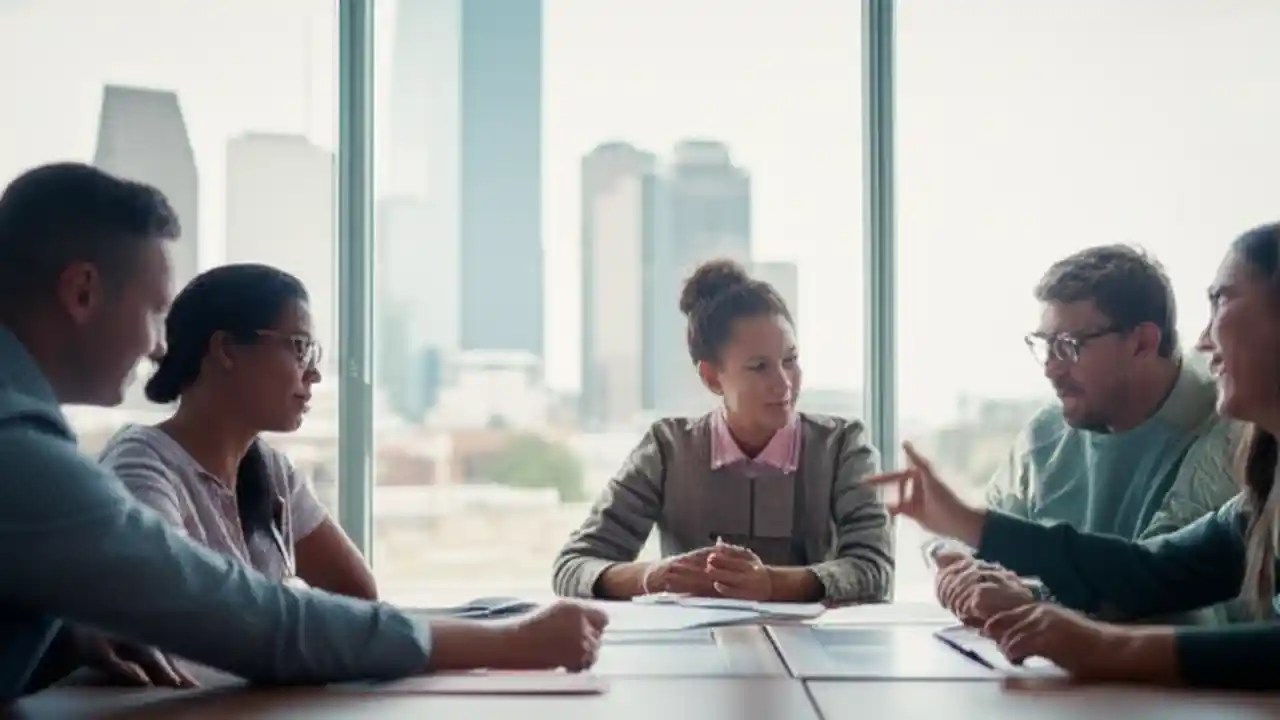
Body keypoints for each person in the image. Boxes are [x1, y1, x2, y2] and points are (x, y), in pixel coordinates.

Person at [0, 162, 606, 700]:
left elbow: (329, 597)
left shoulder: (28, 438)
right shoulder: (22, 453)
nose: (160, 343)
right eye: (156, 311)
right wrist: (508, 645)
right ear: (82, 292)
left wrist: (76, 623)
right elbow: (240, 619)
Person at [871, 223, 1280, 690]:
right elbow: (1151, 570)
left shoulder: (1224, 436)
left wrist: (1099, 643)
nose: (1204, 340)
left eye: (1222, 300)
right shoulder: (1265, 490)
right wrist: (965, 523)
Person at [931, 245, 1239, 625]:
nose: (1050, 369)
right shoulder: (1044, 437)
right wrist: (958, 560)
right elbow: (986, 544)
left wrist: (1034, 599)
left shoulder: (1229, 426)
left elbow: (1156, 583)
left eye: (1068, 347)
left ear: (1143, 342)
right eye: (1044, 345)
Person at [553, 260, 892, 604]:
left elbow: (874, 570)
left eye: (790, 360)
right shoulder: (668, 449)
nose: (784, 383)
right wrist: (654, 576)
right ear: (712, 377)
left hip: (817, 653)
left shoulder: (842, 447)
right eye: (759, 367)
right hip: (699, 649)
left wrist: (771, 584)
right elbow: (573, 566)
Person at [99, 264, 374, 601]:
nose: (314, 374)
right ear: (227, 349)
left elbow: (359, 595)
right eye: (300, 347)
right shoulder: (141, 467)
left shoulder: (274, 473)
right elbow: (171, 605)